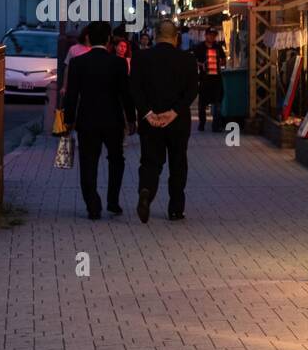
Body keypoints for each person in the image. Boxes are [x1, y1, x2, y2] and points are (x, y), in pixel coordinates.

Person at [61, 20, 136, 220]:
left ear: (88, 38)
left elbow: (71, 94)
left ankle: (93, 205)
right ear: (109, 39)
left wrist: (68, 120)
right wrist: (131, 119)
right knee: (116, 159)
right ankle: (113, 201)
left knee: (88, 162)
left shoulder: (78, 63)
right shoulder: (118, 63)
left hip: (87, 120)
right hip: (113, 119)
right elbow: (125, 94)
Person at [130, 18, 199, 222]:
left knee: (150, 161)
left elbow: (134, 88)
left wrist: (147, 112)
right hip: (177, 121)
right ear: (176, 37)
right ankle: (176, 208)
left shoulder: (141, 58)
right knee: (178, 162)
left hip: (150, 121)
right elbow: (192, 90)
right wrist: (175, 111)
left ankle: (146, 191)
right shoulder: (188, 59)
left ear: (155, 35)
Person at [192, 27, 227, 131]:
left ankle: (216, 125)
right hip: (204, 79)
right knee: (202, 103)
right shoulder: (199, 47)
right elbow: (193, 60)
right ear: (205, 35)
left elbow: (224, 60)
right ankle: (202, 123)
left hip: (216, 79)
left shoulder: (218, 47)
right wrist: (201, 64)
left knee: (217, 102)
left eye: (213, 35)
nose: (212, 37)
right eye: (210, 35)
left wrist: (219, 62)